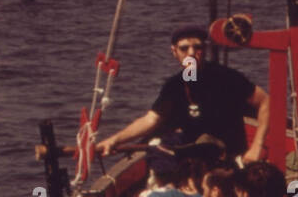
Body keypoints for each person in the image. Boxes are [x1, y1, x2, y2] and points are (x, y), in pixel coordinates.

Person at [97, 25, 271, 162]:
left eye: (197, 47)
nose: (191, 53)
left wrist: (257, 146)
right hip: (193, 162)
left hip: (229, 159)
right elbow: (151, 119)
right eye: (184, 48)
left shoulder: (227, 78)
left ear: (205, 49)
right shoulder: (174, 86)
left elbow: (265, 102)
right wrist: (115, 139)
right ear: (174, 52)